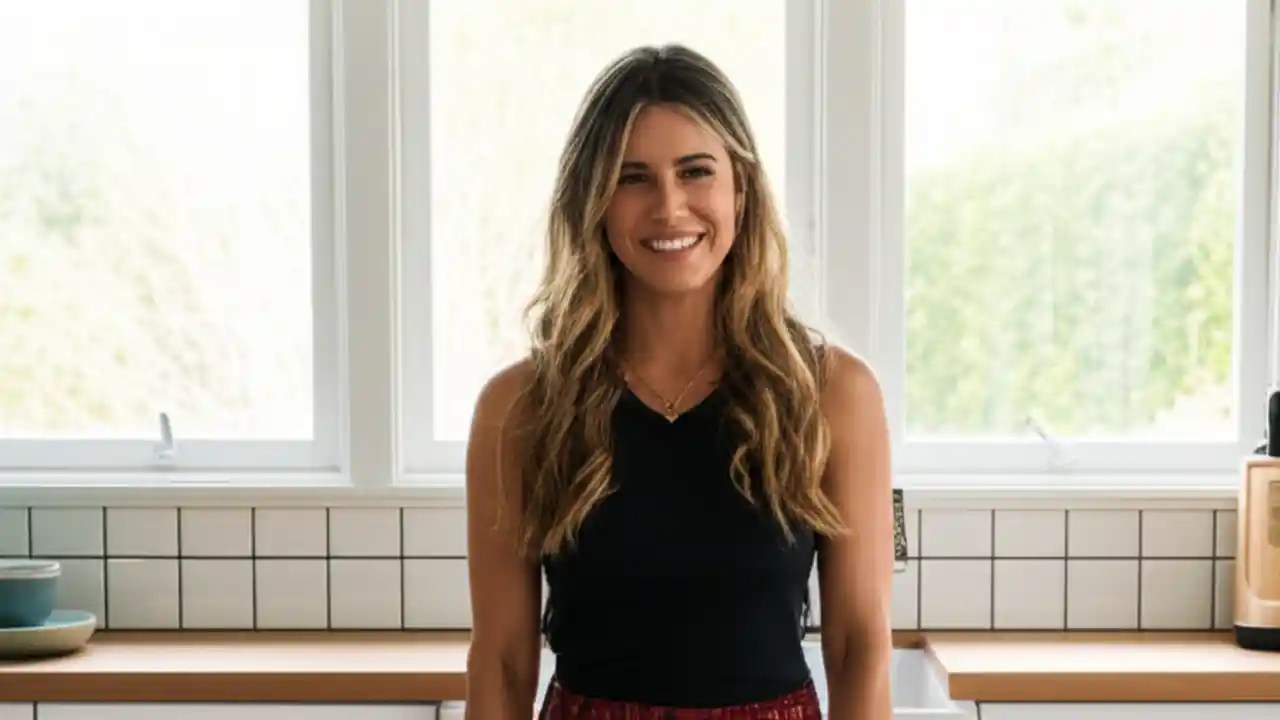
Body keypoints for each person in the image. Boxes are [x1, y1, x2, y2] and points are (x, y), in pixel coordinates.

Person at [464, 44, 894, 719]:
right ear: (595, 203)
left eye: (696, 172)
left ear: (740, 190)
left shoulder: (834, 395)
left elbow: (858, 644)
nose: (669, 207)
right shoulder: (520, 406)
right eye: (633, 178)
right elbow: (503, 658)